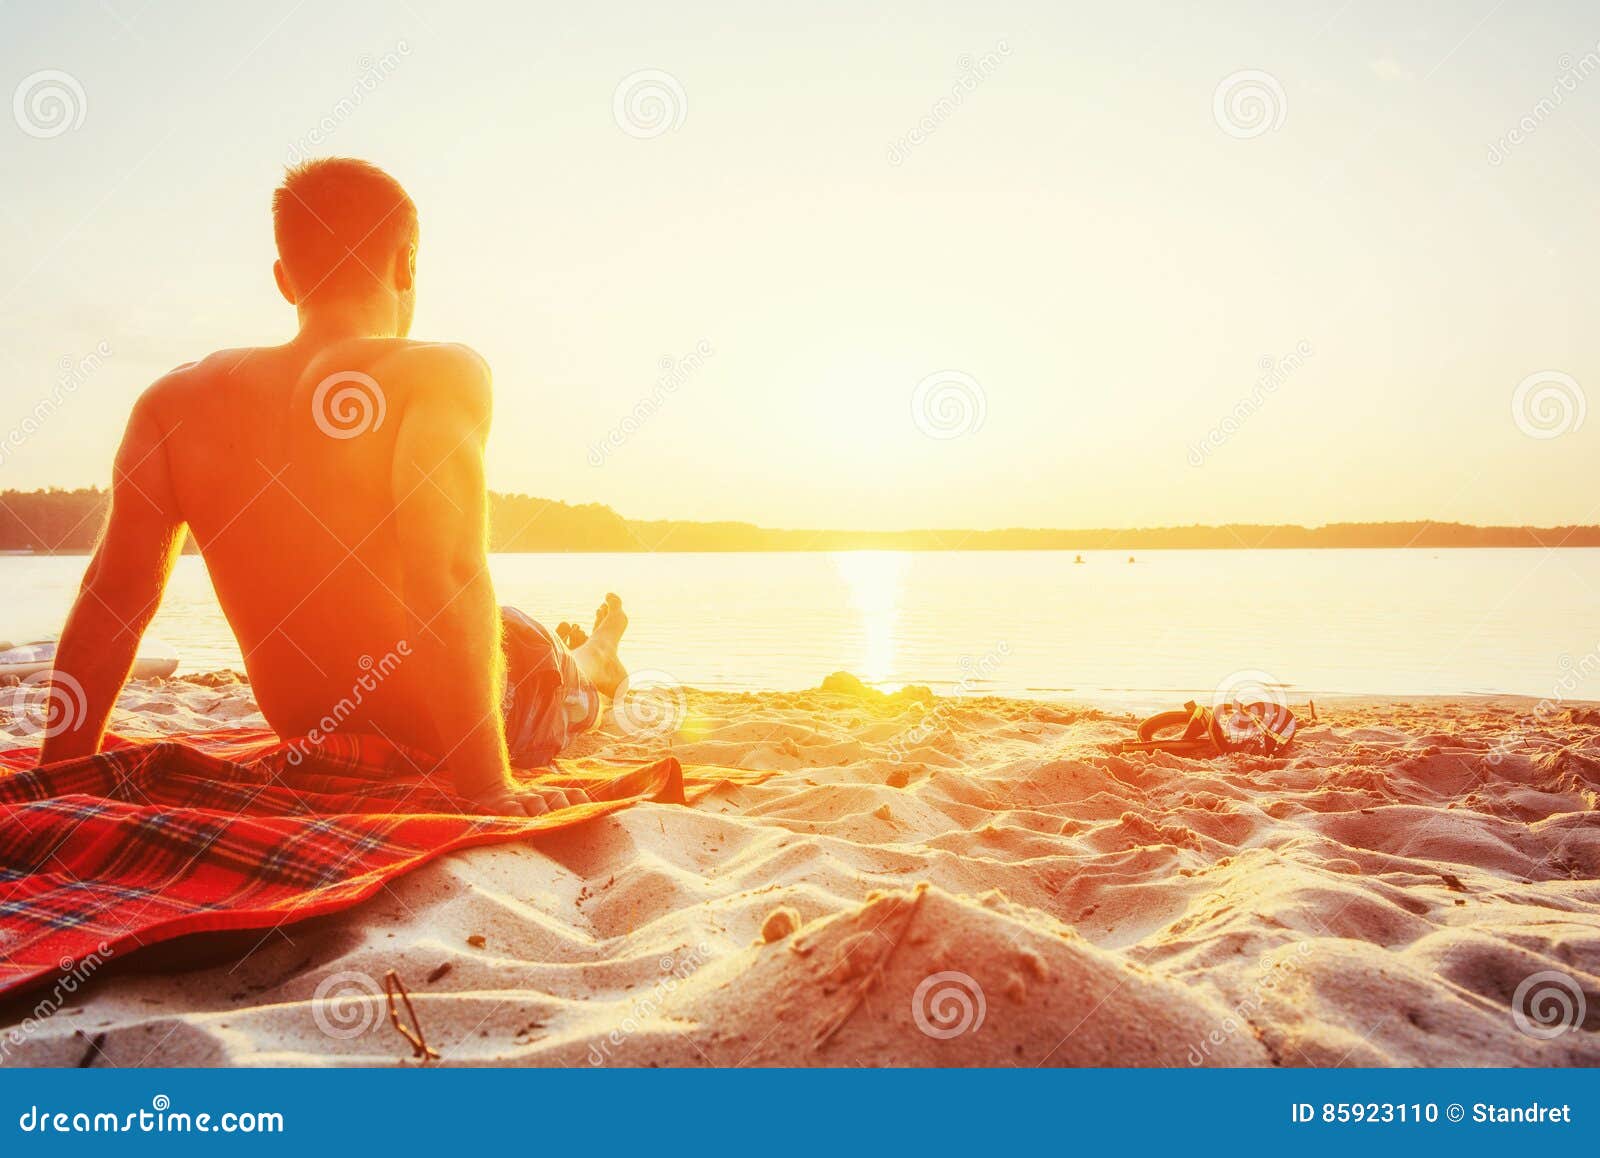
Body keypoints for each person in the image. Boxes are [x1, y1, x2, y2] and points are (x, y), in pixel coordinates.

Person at [35, 158, 626, 816]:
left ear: (285, 280)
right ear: (406, 265)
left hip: (309, 729)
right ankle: (594, 661)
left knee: (517, 632)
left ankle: (594, 653)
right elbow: (450, 573)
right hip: (471, 711)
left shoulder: (171, 400)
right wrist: (488, 786)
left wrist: (59, 775)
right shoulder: (439, 372)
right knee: (540, 658)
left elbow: (112, 598)